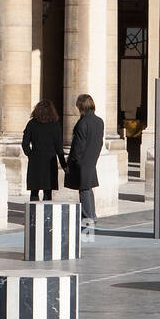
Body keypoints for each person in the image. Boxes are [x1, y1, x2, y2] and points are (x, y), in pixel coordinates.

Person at [65, 93, 103, 229]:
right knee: (88, 188)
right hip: (92, 159)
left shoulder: (82, 123)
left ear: (80, 106)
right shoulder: (99, 121)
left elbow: (78, 146)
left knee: (84, 190)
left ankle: (88, 219)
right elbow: (100, 143)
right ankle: (92, 216)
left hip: (82, 161)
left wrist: (71, 161)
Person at [21, 100, 64, 201]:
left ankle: (33, 215)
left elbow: (25, 143)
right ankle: (47, 216)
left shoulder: (31, 124)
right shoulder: (55, 125)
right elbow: (59, 147)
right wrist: (64, 164)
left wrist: (30, 155)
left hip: (36, 159)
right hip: (50, 160)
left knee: (34, 191)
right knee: (48, 191)